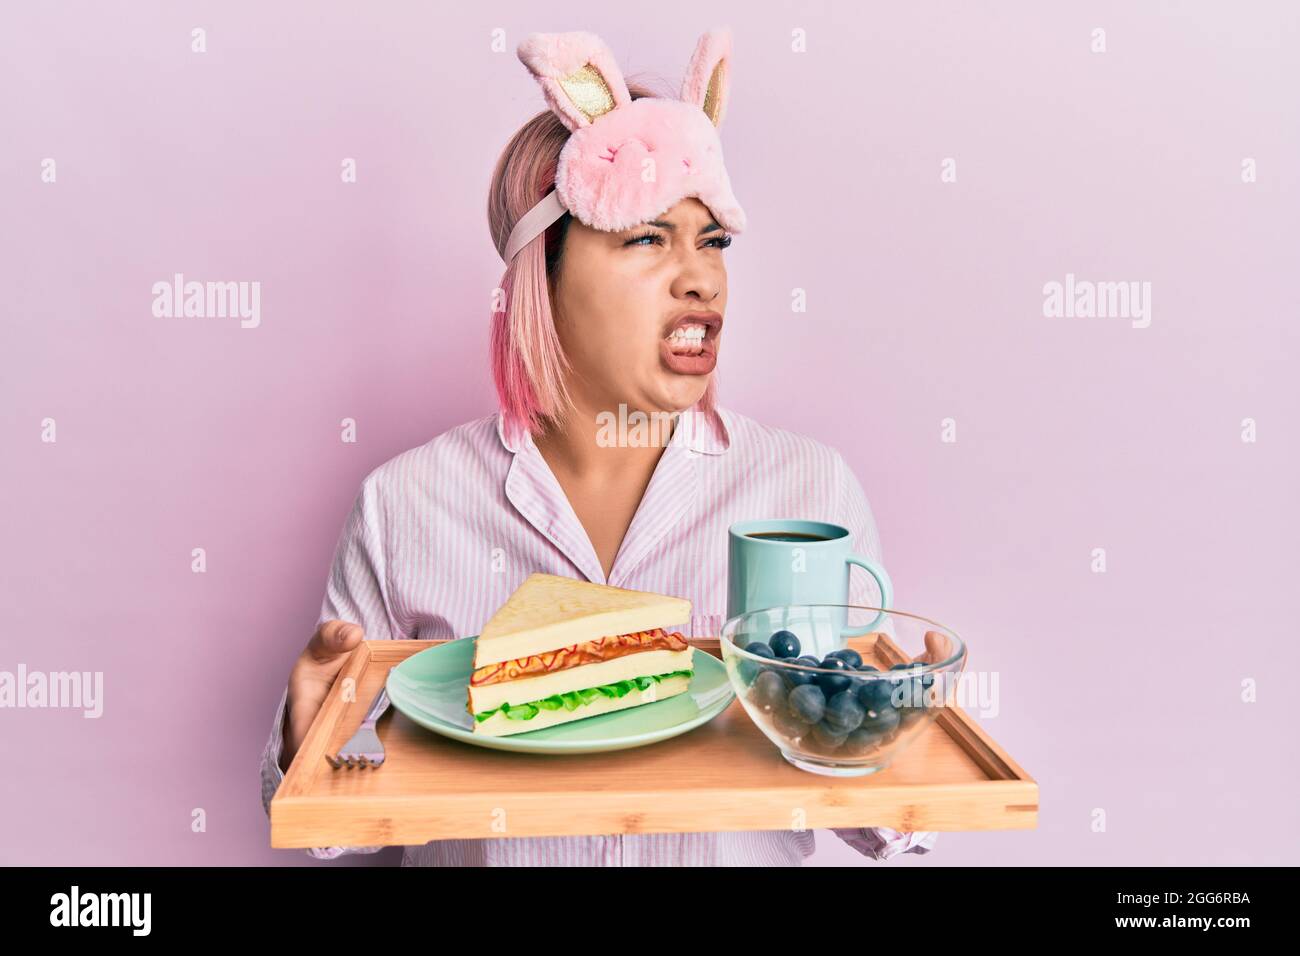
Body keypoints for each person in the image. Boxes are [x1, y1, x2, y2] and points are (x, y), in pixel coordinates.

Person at [259, 27, 939, 866]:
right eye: (648, 238)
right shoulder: (406, 503)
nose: (702, 276)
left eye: (713, 239)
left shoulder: (807, 491)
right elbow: (333, 824)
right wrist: (307, 740)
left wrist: (884, 721)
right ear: (538, 276)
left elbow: (878, 824)